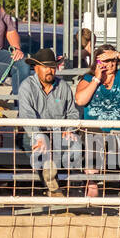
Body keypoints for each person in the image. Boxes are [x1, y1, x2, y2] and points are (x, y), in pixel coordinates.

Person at [74, 45, 120, 194]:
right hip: (96, 129)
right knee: (91, 154)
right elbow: (80, 100)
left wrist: (118, 54)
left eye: (112, 60)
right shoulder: (88, 78)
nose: (110, 64)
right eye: (105, 61)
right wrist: (96, 79)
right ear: (97, 62)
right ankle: (92, 190)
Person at [17, 48, 81, 197]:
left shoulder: (63, 87)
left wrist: (69, 128)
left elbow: (72, 112)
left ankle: (56, 184)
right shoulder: (26, 87)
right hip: (31, 131)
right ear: (36, 68)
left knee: (76, 146)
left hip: (58, 132)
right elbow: (27, 117)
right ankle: (55, 188)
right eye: (46, 67)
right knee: (39, 146)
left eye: (52, 67)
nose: (50, 71)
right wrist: (39, 136)